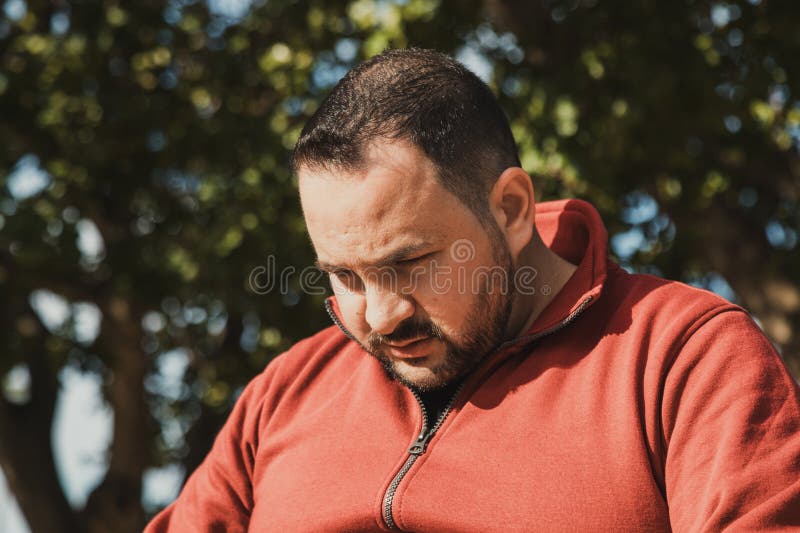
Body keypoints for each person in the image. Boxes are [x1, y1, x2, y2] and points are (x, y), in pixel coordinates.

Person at [145, 48, 800, 532]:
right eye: (344, 277)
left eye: (409, 265)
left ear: (512, 209)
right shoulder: (285, 394)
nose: (378, 314)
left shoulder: (684, 359)